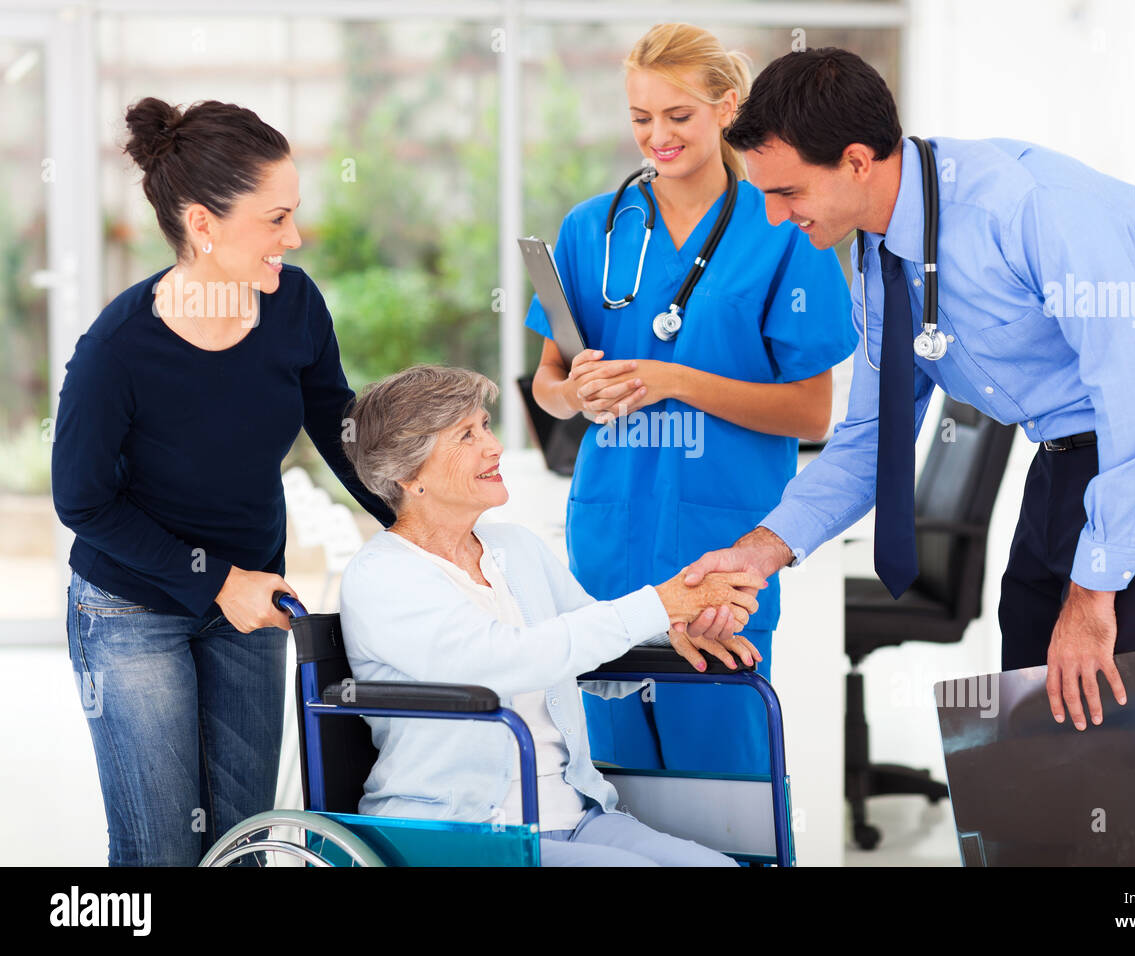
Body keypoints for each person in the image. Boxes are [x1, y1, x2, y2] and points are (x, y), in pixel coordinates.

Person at [682, 48, 1135, 734]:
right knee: (1028, 713)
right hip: (1062, 461)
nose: (774, 217)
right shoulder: (880, 258)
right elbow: (872, 441)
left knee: (1111, 740)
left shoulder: (1028, 209)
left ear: (858, 161)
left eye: (788, 193)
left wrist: (1095, 593)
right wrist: (764, 548)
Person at [51, 98, 394, 866]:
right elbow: (81, 500)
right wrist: (217, 584)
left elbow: (335, 424)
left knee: (242, 840)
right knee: (163, 849)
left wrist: (409, 520)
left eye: (293, 215)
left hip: (247, 601)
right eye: (275, 220)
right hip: (131, 607)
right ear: (204, 225)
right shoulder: (118, 349)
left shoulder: (294, 303)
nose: (293, 238)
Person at [526, 23, 857, 775]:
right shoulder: (592, 229)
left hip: (722, 543)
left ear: (725, 107)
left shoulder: (782, 226)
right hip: (609, 544)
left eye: (678, 117)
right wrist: (574, 393)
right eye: (641, 119)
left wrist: (675, 380)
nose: (657, 137)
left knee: (727, 791)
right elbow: (548, 390)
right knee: (614, 792)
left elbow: (811, 413)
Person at [338, 364, 764, 866]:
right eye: (465, 435)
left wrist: (677, 634)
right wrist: (657, 602)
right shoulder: (383, 577)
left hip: (576, 815)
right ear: (409, 474)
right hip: (463, 830)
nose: (493, 447)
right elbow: (503, 662)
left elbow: (593, 653)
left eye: (486, 426)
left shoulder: (515, 548)